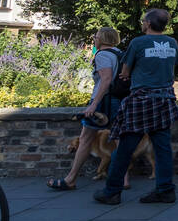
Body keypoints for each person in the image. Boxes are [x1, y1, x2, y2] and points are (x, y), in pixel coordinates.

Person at [93, 8, 178, 205]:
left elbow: (125, 72)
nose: (142, 23)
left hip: (142, 100)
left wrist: (129, 73)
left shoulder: (138, 42)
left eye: (144, 20)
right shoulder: (172, 43)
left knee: (124, 147)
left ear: (149, 24)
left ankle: (112, 192)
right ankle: (165, 190)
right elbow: (174, 63)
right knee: (163, 148)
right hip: (165, 99)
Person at [50, 27, 125, 191]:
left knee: (85, 139)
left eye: (96, 36)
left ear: (103, 39)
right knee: (120, 139)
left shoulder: (103, 55)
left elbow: (105, 81)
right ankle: (124, 179)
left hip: (102, 102)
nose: (94, 39)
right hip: (117, 101)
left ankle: (70, 179)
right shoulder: (119, 53)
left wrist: (93, 104)